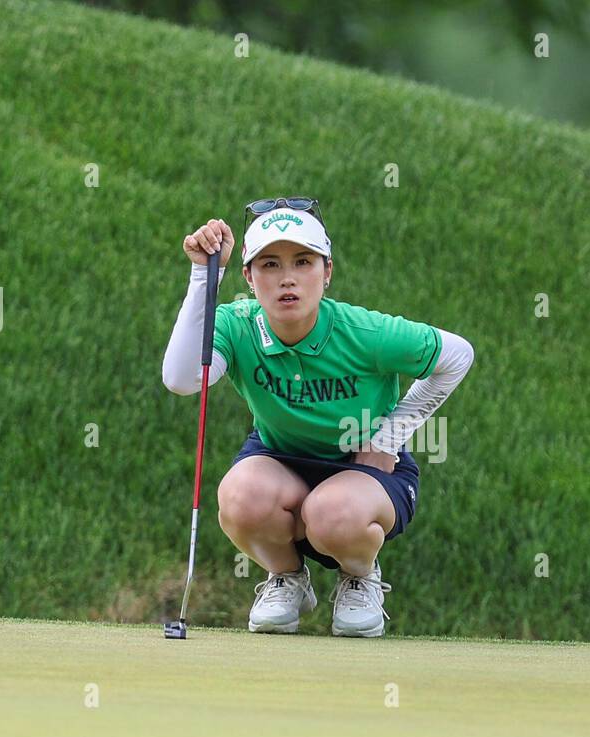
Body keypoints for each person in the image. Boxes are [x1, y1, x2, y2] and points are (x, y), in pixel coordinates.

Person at [163, 197, 474, 637]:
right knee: (239, 497)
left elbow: (459, 355)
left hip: (366, 472)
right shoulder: (237, 325)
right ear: (248, 277)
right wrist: (202, 275)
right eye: (269, 265)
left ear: (326, 272)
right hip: (280, 460)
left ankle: (359, 577)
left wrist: (390, 438)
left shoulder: (367, 332)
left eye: (303, 262)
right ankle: (287, 577)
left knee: (333, 512)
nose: (287, 278)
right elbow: (181, 378)